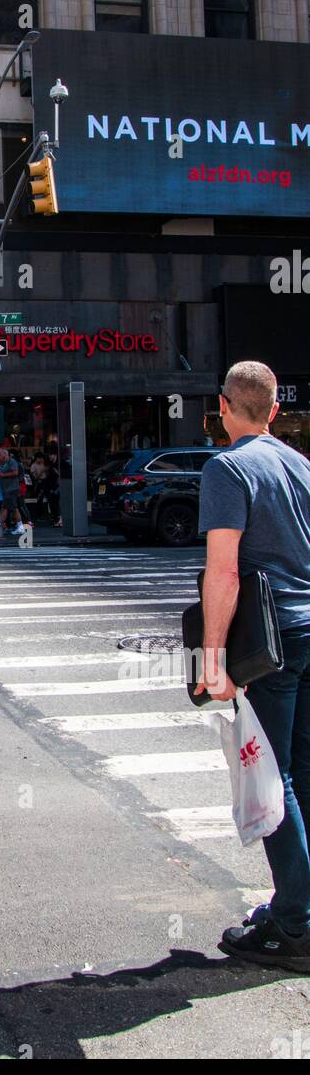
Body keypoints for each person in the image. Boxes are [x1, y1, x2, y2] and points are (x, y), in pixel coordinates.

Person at [196, 360, 310, 974]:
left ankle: (296, 925)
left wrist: (213, 657)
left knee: (275, 778)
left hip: (274, 642)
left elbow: (224, 570)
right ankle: (299, 905)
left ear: (221, 406)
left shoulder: (227, 467)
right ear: (272, 409)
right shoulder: (302, 465)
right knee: (305, 773)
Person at [0, 445, 24, 535]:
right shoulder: (5, 463)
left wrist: (2, 475)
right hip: (7, 489)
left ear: (5, 454)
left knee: (7, 508)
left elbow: (15, 472)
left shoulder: (12, 461)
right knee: (12, 508)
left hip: (11, 489)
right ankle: (19, 526)